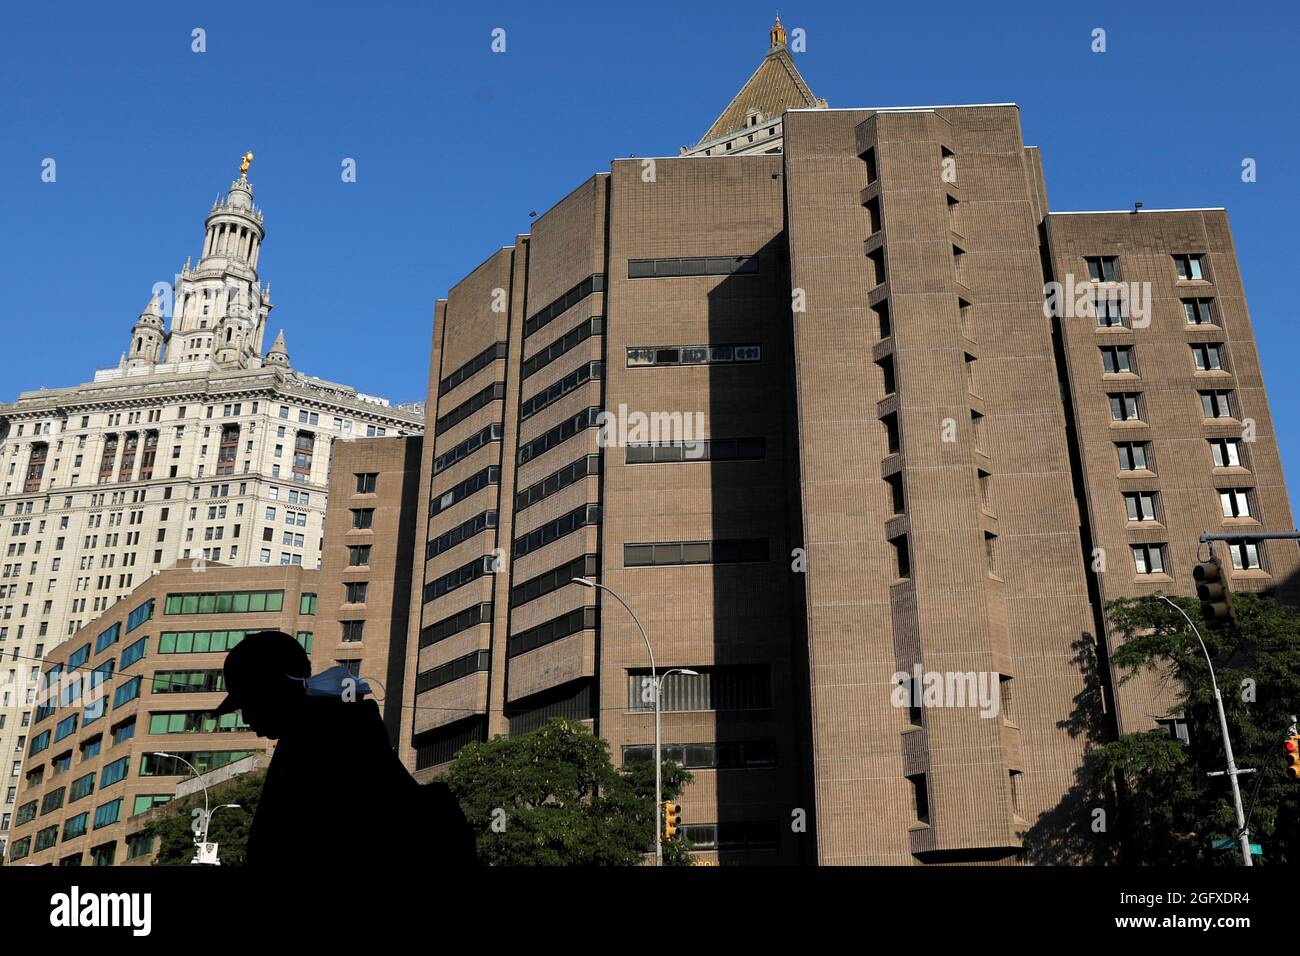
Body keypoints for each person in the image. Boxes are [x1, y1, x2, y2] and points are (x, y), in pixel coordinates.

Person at [212, 630, 476, 868]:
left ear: (272, 689)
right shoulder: (323, 729)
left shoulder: (322, 736)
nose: (245, 718)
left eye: (248, 702)